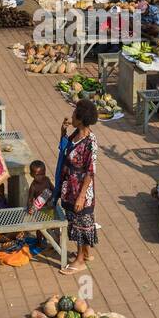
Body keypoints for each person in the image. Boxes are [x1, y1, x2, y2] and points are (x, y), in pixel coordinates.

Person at [59, 99, 99, 275]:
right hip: (70, 187)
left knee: (80, 221)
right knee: (75, 219)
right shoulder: (75, 133)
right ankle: (86, 253)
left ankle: (80, 260)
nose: (72, 116)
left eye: (75, 114)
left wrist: (82, 196)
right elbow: (65, 149)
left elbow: (90, 171)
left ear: (81, 119)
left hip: (81, 189)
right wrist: (63, 131)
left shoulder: (91, 142)